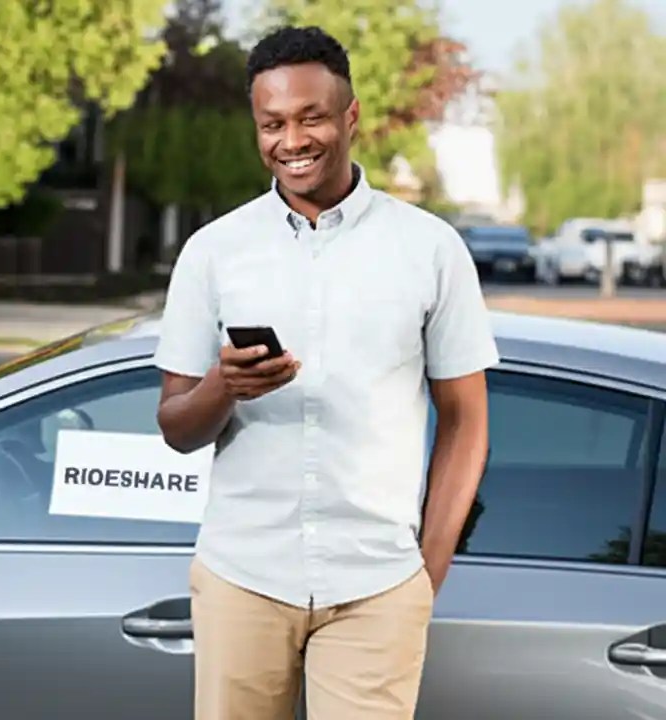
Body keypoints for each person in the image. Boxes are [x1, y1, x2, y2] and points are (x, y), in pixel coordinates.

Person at [153, 25, 498, 720]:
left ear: (350, 115)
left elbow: (465, 422)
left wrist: (423, 576)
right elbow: (175, 427)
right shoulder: (213, 252)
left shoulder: (431, 250)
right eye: (272, 123)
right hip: (242, 580)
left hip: (377, 586)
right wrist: (225, 387)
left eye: (311, 117)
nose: (292, 140)